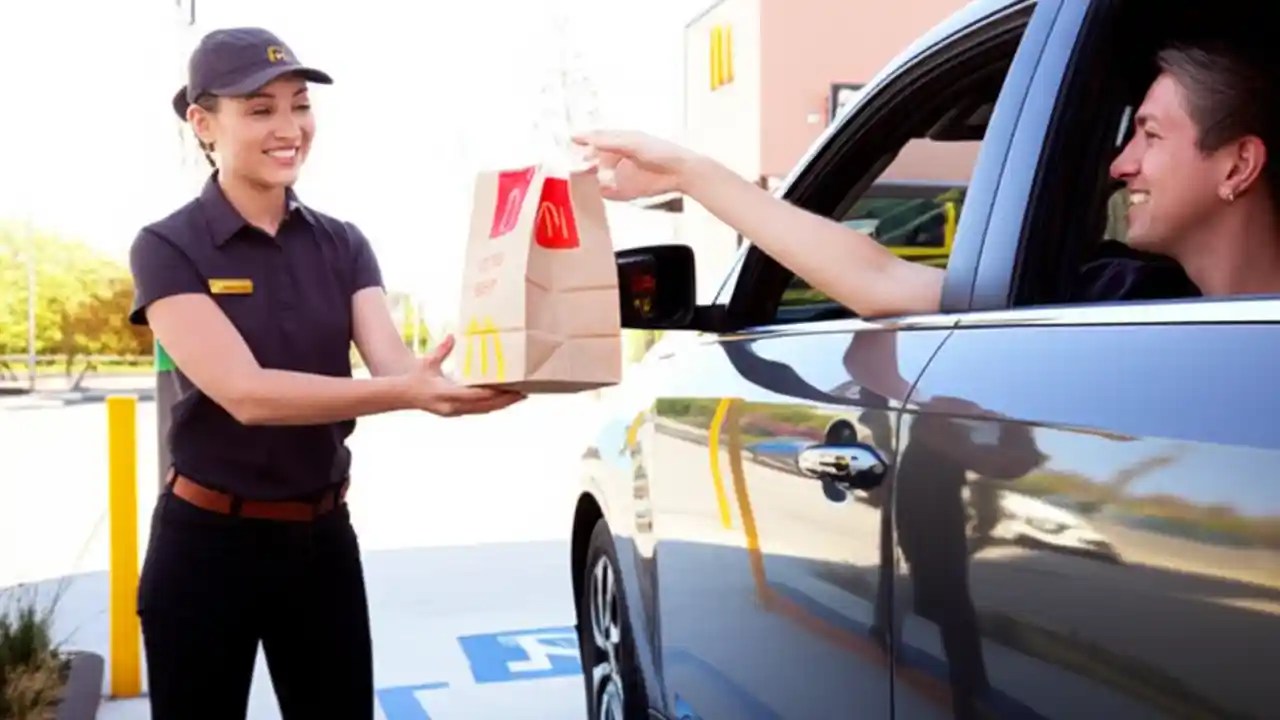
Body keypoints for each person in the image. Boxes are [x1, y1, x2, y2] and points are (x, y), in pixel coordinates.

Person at [127, 27, 524, 719]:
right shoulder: (167, 247)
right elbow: (246, 394)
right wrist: (409, 392)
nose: (290, 128)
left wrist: (497, 370)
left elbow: (397, 366)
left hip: (320, 542)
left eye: (300, 105)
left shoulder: (343, 243)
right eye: (260, 109)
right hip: (205, 547)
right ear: (203, 122)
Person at [575, 40, 1278, 317]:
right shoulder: (1117, 297)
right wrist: (691, 173)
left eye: (1150, 136)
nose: (1121, 164)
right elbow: (878, 279)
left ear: (1238, 165)